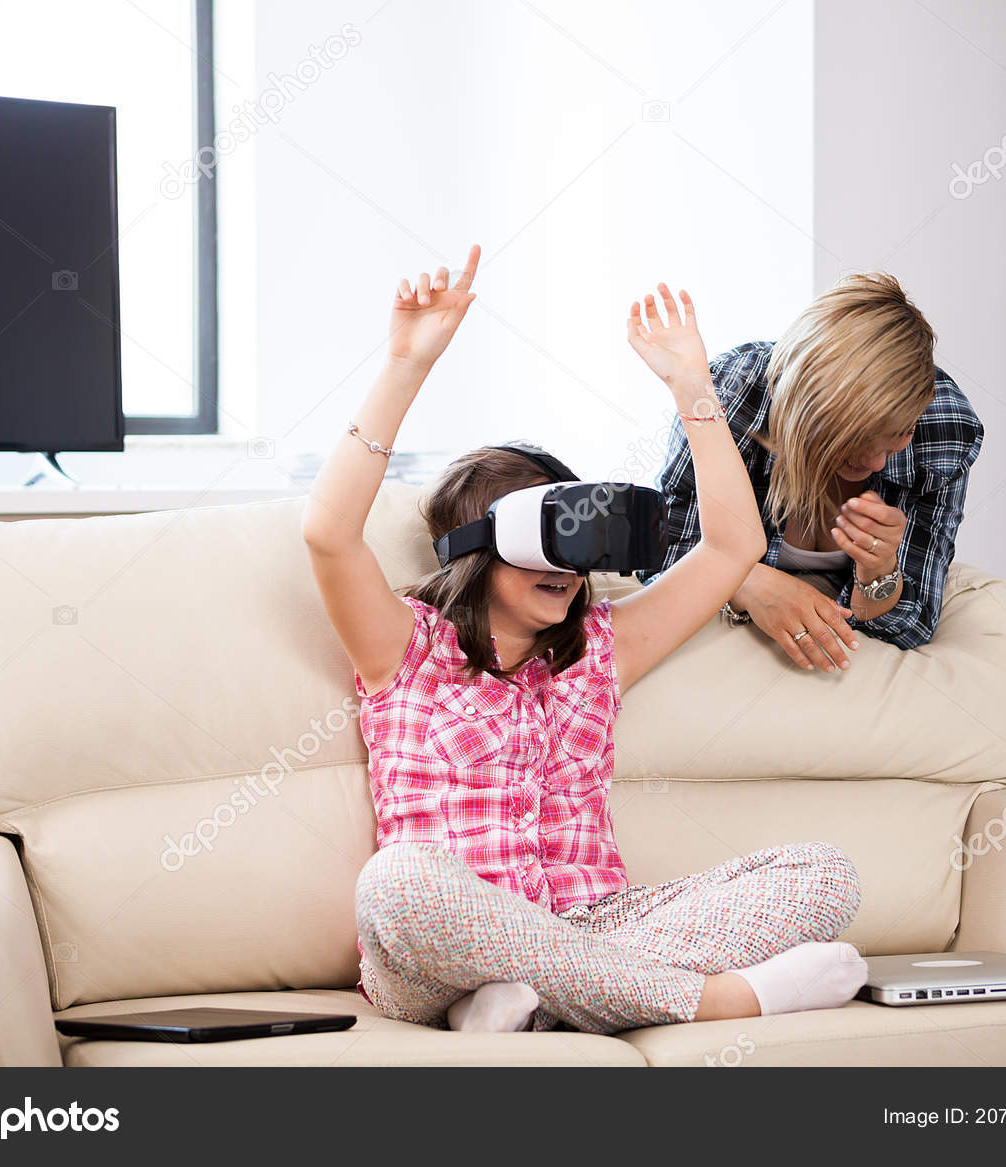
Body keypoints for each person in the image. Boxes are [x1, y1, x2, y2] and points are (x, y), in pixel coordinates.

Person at [301, 246, 866, 1034]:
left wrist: (692, 388)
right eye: (544, 537)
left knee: (823, 875)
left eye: (580, 538)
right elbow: (329, 534)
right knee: (395, 882)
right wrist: (406, 363)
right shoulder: (408, 647)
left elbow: (732, 548)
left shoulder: (603, 647)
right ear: (476, 550)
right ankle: (711, 999)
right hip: (436, 949)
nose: (566, 565)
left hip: (596, 923)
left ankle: (528, 1005)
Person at [647, 274, 984, 668]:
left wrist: (879, 571)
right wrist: (748, 584)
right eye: (854, 440)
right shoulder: (734, 392)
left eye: (897, 435)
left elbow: (910, 626)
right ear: (806, 412)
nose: (877, 461)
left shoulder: (942, 429)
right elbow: (661, 552)